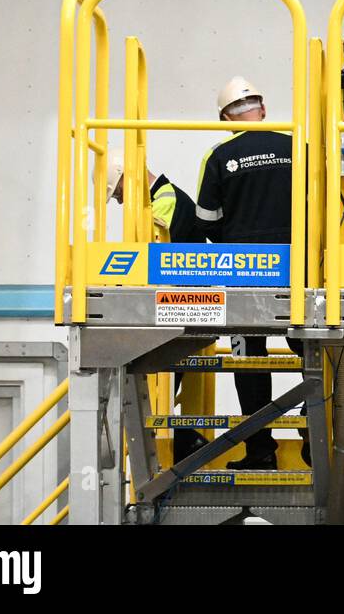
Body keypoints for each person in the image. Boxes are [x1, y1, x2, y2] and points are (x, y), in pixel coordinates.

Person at [195, 76, 301, 469]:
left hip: (244, 272)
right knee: (313, 350)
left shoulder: (219, 156)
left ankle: (261, 453)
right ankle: (313, 424)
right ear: (263, 108)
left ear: (225, 118)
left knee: (249, 360)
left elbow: (206, 219)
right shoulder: (295, 146)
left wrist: (232, 244)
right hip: (297, 269)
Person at [103, 150, 206, 459]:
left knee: (161, 377)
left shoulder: (164, 202)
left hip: (181, 307)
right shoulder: (162, 199)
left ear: (126, 176)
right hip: (183, 305)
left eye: (118, 192)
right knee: (163, 379)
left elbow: (152, 262)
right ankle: (186, 441)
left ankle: (186, 442)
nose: (120, 201)